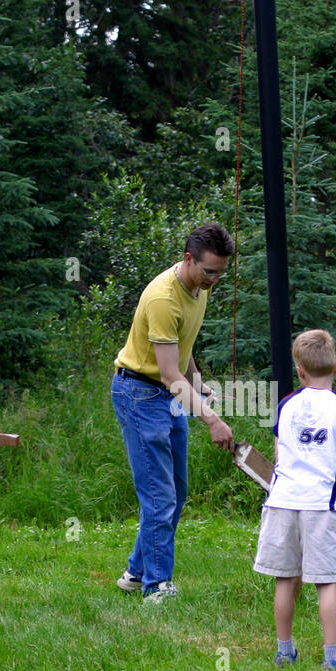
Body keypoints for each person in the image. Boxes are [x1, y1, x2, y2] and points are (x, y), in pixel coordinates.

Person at [111, 222, 235, 603]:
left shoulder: (199, 287)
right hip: (139, 393)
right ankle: (157, 587)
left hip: (169, 394)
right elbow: (167, 373)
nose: (215, 279)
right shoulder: (163, 298)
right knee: (159, 495)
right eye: (209, 271)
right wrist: (211, 419)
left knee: (174, 493)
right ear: (188, 259)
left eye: (221, 272)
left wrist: (197, 385)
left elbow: (182, 352)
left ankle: (136, 572)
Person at [253, 329, 336, 670]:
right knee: (326, 583)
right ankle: (333, 660)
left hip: (282, 501)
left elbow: (279, 460)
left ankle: (284, 653)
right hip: (321, 505)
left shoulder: (285, 406)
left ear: (299, 370)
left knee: (285, 579)